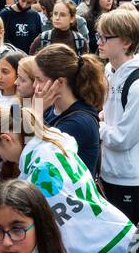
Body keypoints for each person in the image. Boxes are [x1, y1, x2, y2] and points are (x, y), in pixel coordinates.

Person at [0, 104, 135, 253]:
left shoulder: (39, 169)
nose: (2, 158)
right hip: (111, 234)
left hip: (98, 246)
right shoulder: (53, 144)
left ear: (6, 138)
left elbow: (40, 225)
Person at [97, 8, 139, 223]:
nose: (99, 41)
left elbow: (124, 138)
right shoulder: (109, 70)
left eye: (105, 37)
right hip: (107, 170)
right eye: (99, 36)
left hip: (130, 178)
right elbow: (108, 112)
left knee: (133, 243)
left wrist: (99, 127)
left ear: (125, 42)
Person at [32, 43, 105, 178]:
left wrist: (36, 111)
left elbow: (33, 155)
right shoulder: (50, 109)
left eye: (39, 79)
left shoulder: (78, 122)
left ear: (59, 82)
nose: (34, 85)